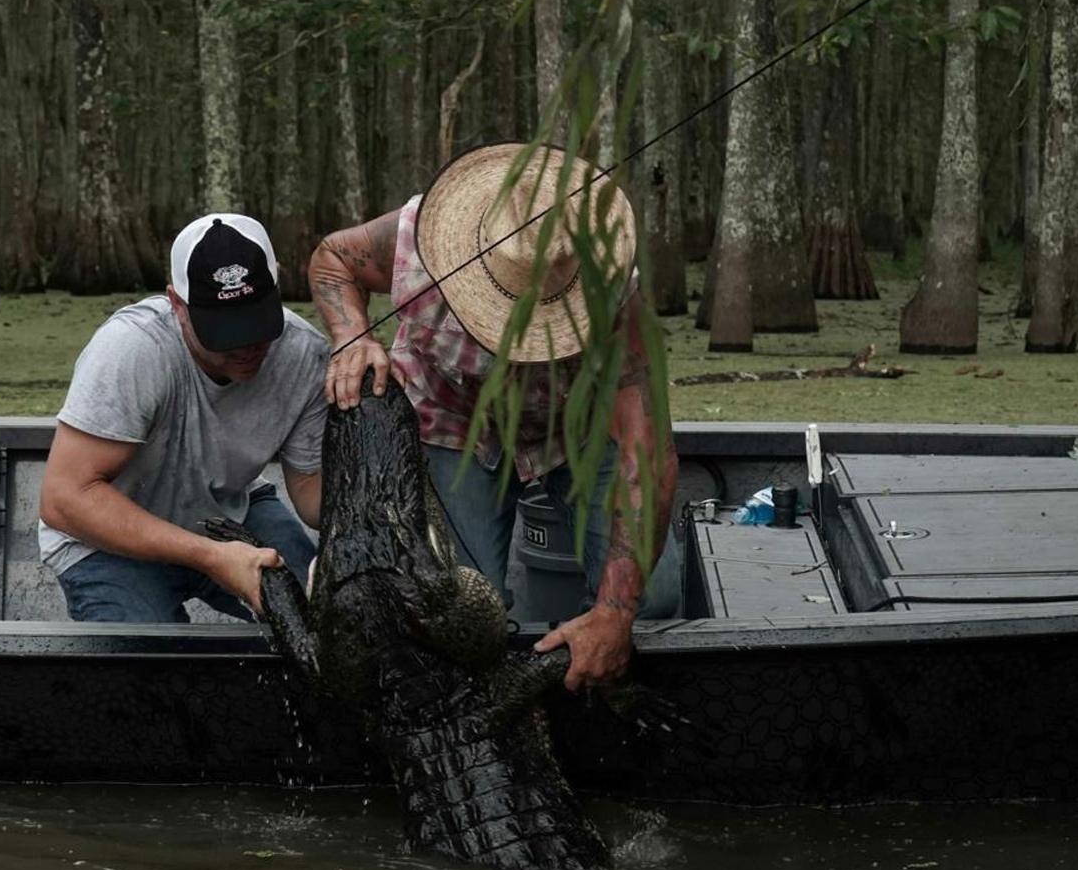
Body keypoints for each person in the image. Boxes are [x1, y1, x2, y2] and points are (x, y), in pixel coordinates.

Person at [307, 142, 679, 691]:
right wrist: (350, 336)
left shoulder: (613, 287)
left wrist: (615, 613)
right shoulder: (414, 241)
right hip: (452, 422)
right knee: (458, 616)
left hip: (574, 423)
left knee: (655, 598)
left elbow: (646, 452)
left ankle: (594, 681)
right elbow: (331, 259)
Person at [38, 214, 328, 622]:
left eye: (255, 320)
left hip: (231, 509)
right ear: (176, 303)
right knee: (155, 671)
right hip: (104, 538)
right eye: (227, 330)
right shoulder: (132, 349)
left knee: (327, 620)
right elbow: (64, 499)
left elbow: (313, 498)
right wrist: (212, 556)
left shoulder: (305, 355)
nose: (247, 344)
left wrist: (348, 540)